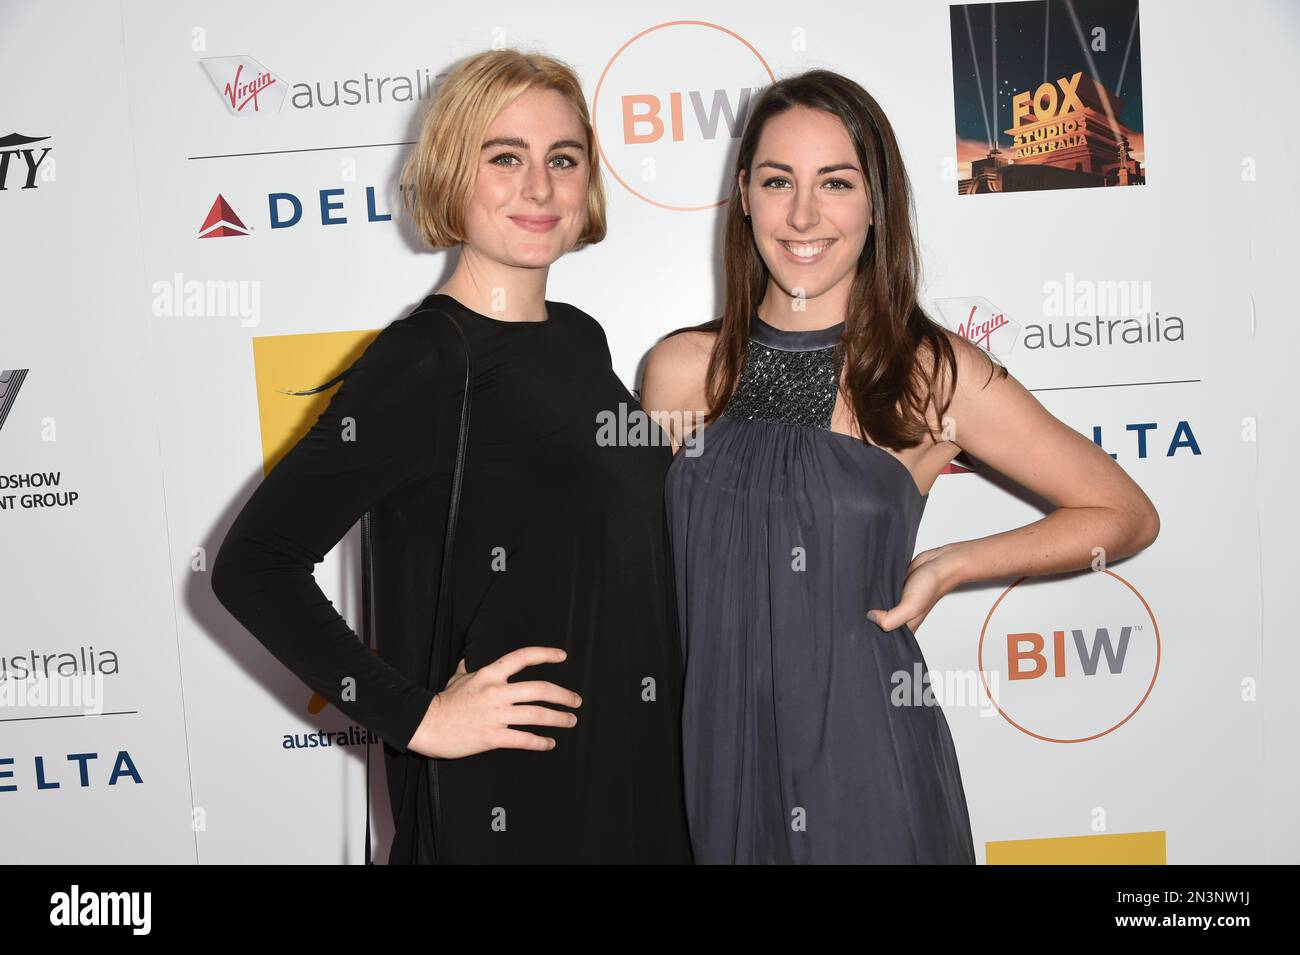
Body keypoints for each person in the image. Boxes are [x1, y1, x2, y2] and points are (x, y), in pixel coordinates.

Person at [641, 69, 1160, 863]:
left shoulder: (926, 371)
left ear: (877, 202)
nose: (804, 214)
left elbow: (1122, 512)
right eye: (779, 181)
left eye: (837, 182)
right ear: (744, 194)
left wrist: (952, 565)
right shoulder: (683, 371)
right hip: (711, 763)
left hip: (865, 765)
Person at [212, 48, 693, 864]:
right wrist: (419, 717)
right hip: (519, 802)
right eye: (505, 157)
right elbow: (254, 563)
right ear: (449, 173)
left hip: (637, 775)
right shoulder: (427, 360)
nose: (540, 187)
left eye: (563, 160)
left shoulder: (578, 337)